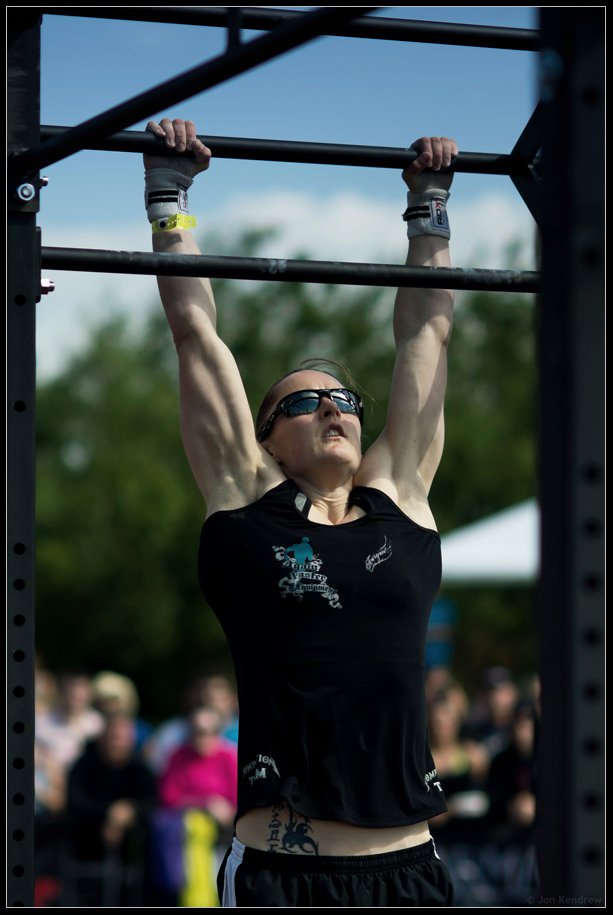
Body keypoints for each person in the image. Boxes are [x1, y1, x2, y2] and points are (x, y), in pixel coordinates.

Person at [143, 115, 457, 907]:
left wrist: (429, 208)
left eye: (344, 398)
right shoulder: (249, 510)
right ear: (267, 439)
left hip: (406, 869)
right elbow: (194, 334)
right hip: (284, 871)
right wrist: (169, 196)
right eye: (306, 401)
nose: (334, 409)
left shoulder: (401, 503)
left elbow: (425, 337)